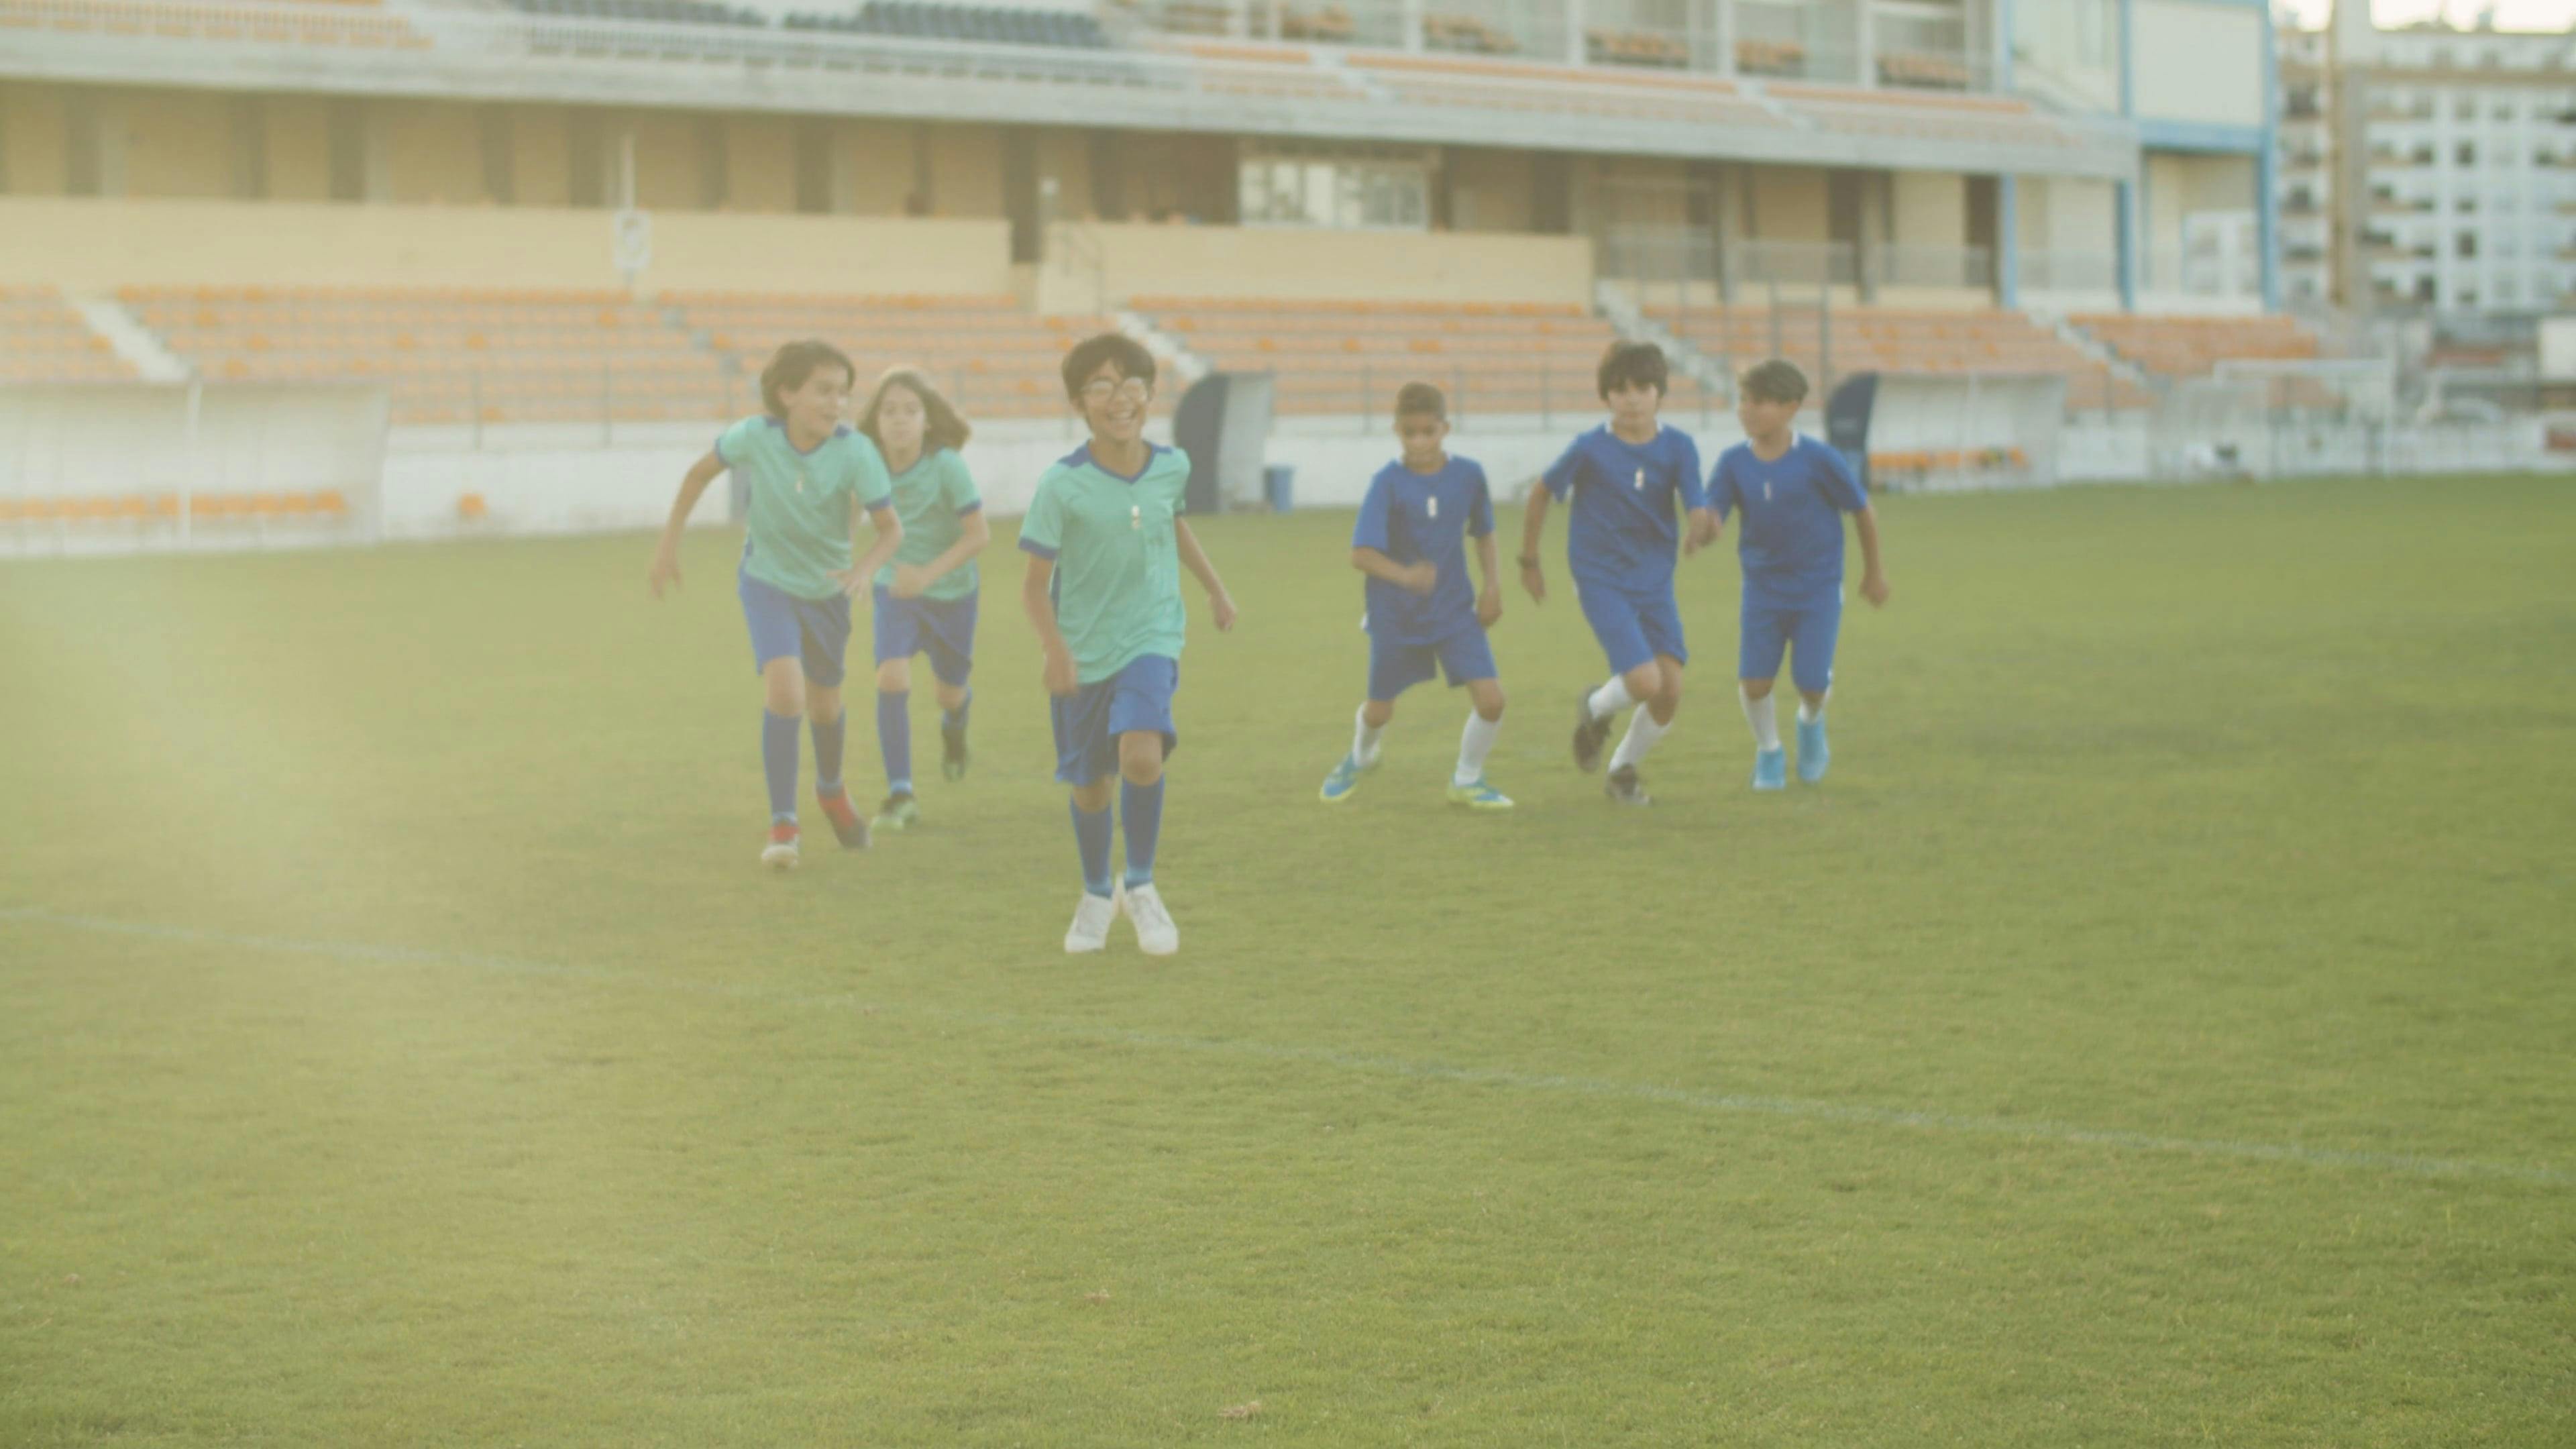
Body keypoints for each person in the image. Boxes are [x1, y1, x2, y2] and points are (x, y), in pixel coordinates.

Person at [1019, 333, 1238, 956]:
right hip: (1084, 651)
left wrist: (1215, 589)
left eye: (1132, 385)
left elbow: (1174, 523)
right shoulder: (1061, 485)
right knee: (1091, 787)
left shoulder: (1172, 466)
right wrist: (1056, 650)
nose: (1120, 399)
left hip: (1152, 633)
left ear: (1150, 394)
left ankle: (1140, 884)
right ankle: (1097, 893)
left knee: (1142, 756)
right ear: (1079, 403)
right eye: (1101, 386)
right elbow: (1033, 587)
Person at [648, 340, 901, 869]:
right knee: (787, 694)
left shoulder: (857, 452)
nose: (837, 403)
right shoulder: (755, 436)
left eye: (844, 393)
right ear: (787, 394)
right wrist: (668, 545)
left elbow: (890, 530)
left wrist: (864, 568)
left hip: (828, 591)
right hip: (767, 583)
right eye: (824, 391)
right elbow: (698, 475)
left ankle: (830, 790)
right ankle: (784, 824)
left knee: (825, 706)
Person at [1518, 341, 1718, 807]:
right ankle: (1595, 707)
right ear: (1605, 395)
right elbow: (1542, 492)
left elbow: (1696, 502)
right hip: (1600, 578)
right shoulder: (1591, 448)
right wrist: (1529, 561)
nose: (1631, 399)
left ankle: (1622, 768)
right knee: (1646, 681)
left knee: (1670, 690)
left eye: (1642, 388)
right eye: (1620, 389)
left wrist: (1701, 527)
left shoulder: (1678, 447)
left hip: (1654, 580)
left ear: (1660, 391)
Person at [1319, 382, 1510, 810]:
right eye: (1410, 433)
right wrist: (1405, 576)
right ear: (1397, 431)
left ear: (1446, 428)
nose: (1420, 442)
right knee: (1379, 712)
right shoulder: (1387, 483)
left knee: (1492, 700)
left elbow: (1484, 533)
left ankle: (1467, 779)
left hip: (1454, 610)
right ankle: (1360, 756)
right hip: (1396, 615)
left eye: (1429, 431)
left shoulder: (1469, 476)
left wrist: (1493, 586)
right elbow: (1360, 554)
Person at [1707, 359, 1891, 789]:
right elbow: (1714, 511)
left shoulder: (1819, 459)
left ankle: (1810, 725)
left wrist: (1874, 572)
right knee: (1755, 683)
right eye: (1743, 400)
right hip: (1762, 590)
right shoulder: (1733, 462)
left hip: (1816, 589)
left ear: (1791, 407)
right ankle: (1769, 752)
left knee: (1811, 685)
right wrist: (1704, 528)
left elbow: (1862, 510)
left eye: (1760, 401)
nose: (1748, 409)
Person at [855, 368, 987, 833]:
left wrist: (927, 576)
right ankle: (901, 794)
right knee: (890, 678)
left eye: (910, 410)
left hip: (952, 592)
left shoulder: (947, 465)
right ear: (875, 421)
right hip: (895, 588)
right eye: (889, 411)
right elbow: (847, 514)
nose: (899, 419)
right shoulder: (867, 464)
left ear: (927, 420)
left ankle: (955, 726)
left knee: (949, 693)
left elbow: (979, 536)